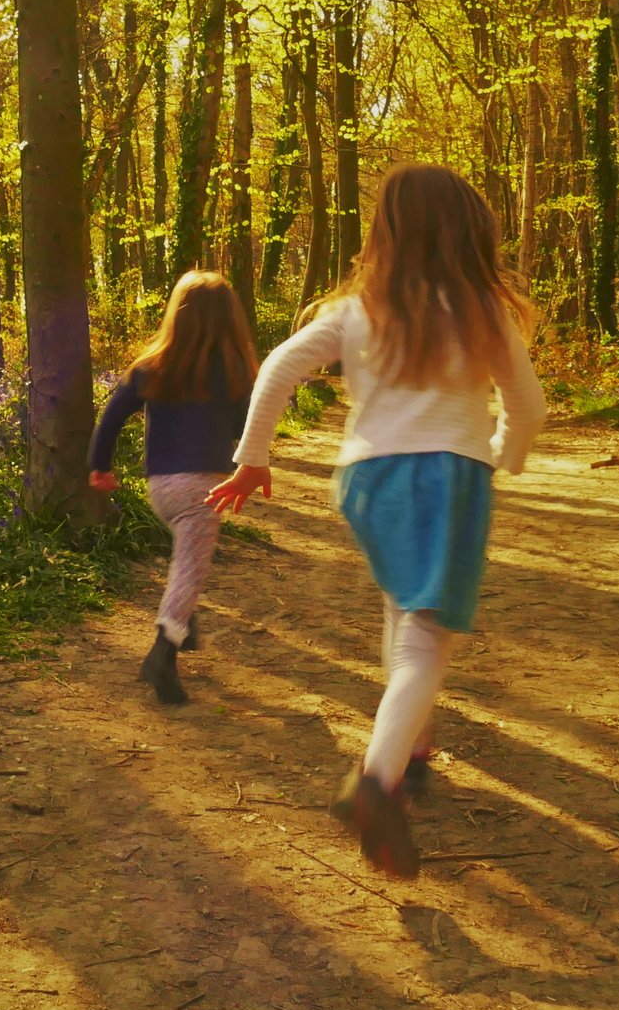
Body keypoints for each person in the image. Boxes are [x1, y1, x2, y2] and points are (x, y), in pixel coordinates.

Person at [209, 164, 545, 878]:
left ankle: (413, 748)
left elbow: (278, 364)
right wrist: (501, 455)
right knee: (428, 641)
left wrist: (253, 456)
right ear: (469, 231)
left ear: (385, 232)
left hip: (366, 479)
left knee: (403, 608)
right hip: (446, 475)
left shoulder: (359, 307)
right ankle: (376, 779)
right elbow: (528, 404)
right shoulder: (484, 307)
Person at [88, 271, 257, 705]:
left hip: (160, 487)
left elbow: (111, 417)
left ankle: (185, 619)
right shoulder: (234, 369)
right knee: (190, 568)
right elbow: (246, 429)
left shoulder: (150, 365)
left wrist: (99, 466)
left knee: (189, 558)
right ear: (229, 320)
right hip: (203, 488)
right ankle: (162, 653)